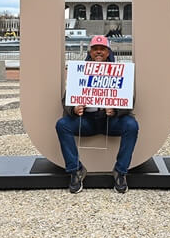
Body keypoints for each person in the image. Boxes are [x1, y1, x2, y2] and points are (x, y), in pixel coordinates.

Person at [55, 34, 138, 194]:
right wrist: (74, 109)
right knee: (62, 125)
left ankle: (120, 172)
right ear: (90, 51)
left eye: (102, 49)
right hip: (87, 121)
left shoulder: (119, 71)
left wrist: (115, 110)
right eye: (95, 49)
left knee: (131, 125)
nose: (98, 52)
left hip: (110, 121)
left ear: (108, 52)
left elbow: (129, 101)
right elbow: (66, 99)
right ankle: (76, 170)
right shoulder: (80, 71)